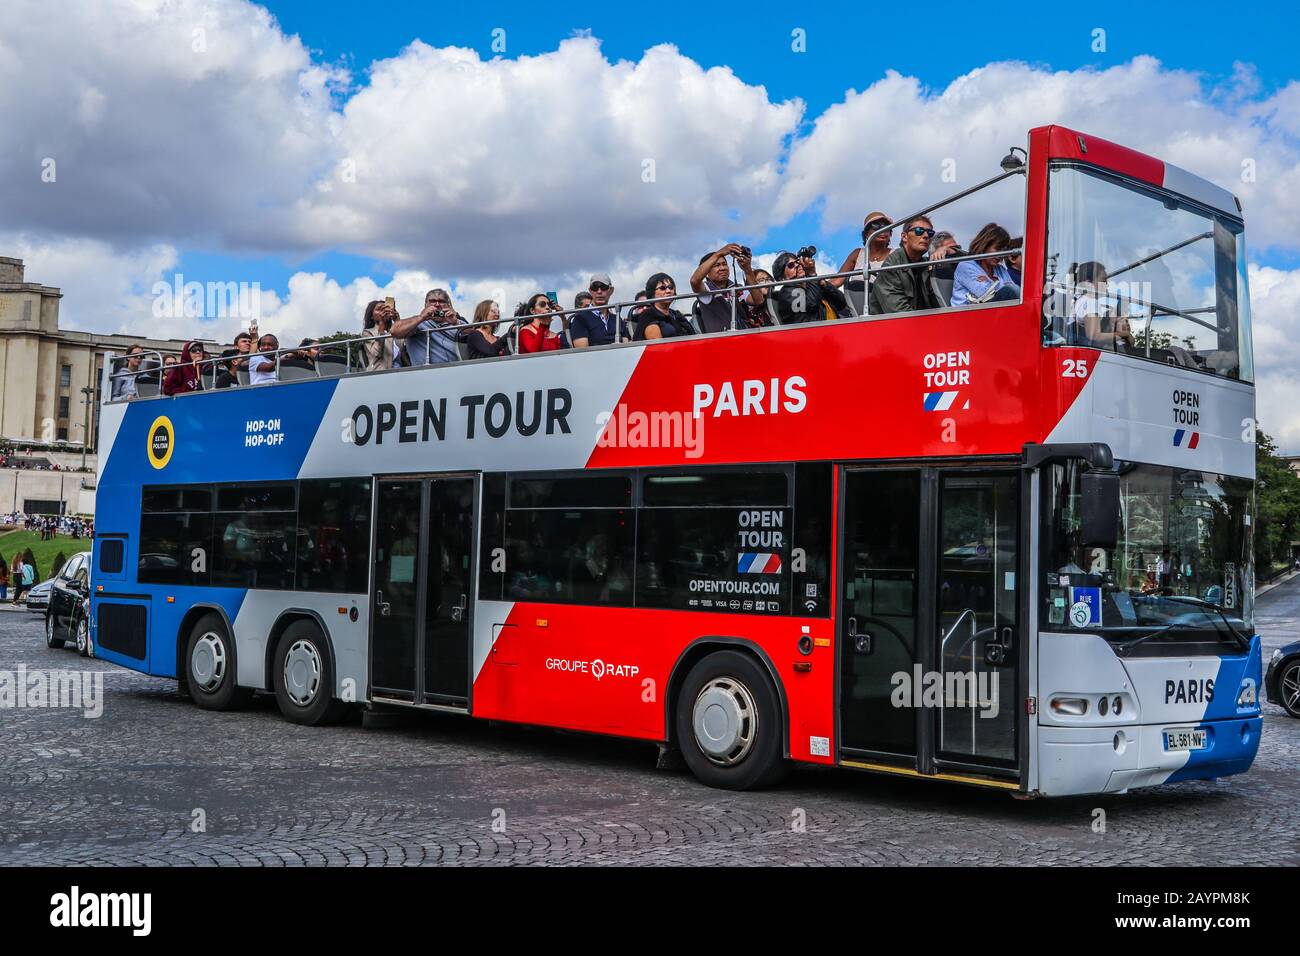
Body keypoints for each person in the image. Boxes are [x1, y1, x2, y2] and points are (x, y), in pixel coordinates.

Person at [869, 215, 941, 314]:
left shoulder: (927, 264)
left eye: (930, 233)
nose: (926, 236)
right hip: (890, 326)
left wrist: (947, 251)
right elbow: (897, 311)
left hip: (921, 323)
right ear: (904, 237)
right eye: (919, 231)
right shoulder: (893, 264)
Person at [689, 243, 765, 333]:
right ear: (706, 272)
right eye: (716, 265)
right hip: (721, 342)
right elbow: (694, 280)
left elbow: (758, 300)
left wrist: (747, 269)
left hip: (745, 338)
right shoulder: (706, 289)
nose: (722, 268)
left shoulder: (737, 288)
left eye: (724, 264)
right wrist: (720, 253)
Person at [1068, 261, 1134, 350]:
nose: (1107, 284)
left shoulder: (1080, 300)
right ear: (1088, 283)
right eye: (1103, 280)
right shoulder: (1091, 302)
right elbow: (1094, 335)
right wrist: (1123, 335)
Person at [771, 249, 849, 323]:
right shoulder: (786, 293)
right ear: (782, 278)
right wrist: (812, 275)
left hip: (832, 332)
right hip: (811, 335)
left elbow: (841, 303)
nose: (797, 265)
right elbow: (812, 304)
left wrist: (825, 285)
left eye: (798, 262)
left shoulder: (813, 286)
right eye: (791, 265)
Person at [951, 223, 1021, 306]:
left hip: (991, 311)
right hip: (967, 314)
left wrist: (990, 283)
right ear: (984, 245)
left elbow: (1017, 295)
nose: (1000, 254)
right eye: (997, 249)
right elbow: (986, 295)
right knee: (1010, 290)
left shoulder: (1000, 269)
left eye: (1003, 250)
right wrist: (1001, 286)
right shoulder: (966, 266)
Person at [390, 289, 464, 365]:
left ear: (448, 305)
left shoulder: (456, 322)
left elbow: (472, 335)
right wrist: (421, 317)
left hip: (455, 371)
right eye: (432, 301)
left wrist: (456, 323)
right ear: (425, 305)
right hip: (425, 373)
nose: (437, 304)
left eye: (441, 301)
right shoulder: (418, 323)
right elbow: (394, 331)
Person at [834, 212, 893, 291]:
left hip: (881, 300)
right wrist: (820, 283)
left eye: (886, 226)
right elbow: (837, 281)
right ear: (866, 234)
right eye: (876, 226)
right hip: (854, 300)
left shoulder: (895, 254)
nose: (882, 230)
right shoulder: (857, 253)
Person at [570, 273, 630, 347]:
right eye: (594, 288)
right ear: (590, 291)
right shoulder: (580, 318)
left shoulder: (618, 319)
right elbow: (582, 352)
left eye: (603, 287)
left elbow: (627, 347)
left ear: (611, 290)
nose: (599, 291)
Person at [634, 274, 695, 340]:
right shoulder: (648, 316)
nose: (668, 291)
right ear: (652, 294)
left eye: (671, 287)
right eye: (662, 288)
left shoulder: (677, 315)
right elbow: (658, 347)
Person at [362, 299, 401, 370]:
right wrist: (381, 324)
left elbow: (403, 347)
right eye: (379, 309)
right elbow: (377, 353)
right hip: (380, 373)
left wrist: (397, 321)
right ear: (372, 316)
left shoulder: (393, 331)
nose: (383, 311)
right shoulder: (368, 333)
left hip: (400, 372)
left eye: (385, 308)